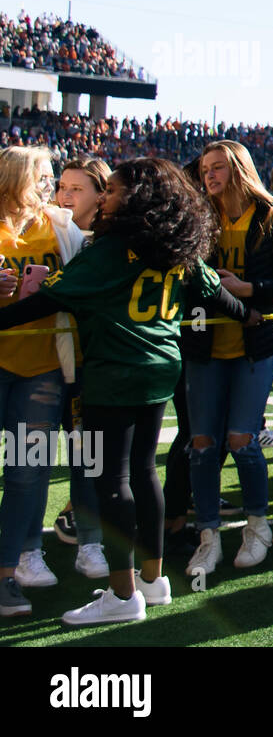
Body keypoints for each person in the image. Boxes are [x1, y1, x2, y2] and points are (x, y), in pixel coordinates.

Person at [0, 158, 251, 625]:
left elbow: (49, 299)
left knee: (110, 480)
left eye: (112, 191)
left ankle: (122, 594)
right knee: (143, 473)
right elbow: (216, 293)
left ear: (136, 199)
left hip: (114, 373)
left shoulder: (111, 248)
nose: (106, 197)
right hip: (160, 368)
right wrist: (250, 317)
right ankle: (153, 582)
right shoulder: (175, 243)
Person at [183, 140, 273, 576]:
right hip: (204, 342)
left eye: (217, 167)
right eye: (204, 169)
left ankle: (258, 525)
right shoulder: (199, 216)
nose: (210, 176)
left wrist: (249, 289)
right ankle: (208, 536)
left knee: (242, 438)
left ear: (239, 168)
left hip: (258, 340)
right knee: (201, 444)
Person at [0, 147, 87, 614]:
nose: (50, 187)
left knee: (27, 473)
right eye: (43, 176)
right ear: (14, 177)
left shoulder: (59, 226)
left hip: (43, 371)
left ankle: (8, 571)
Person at [51, 157, 109, 562]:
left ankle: (92, 524)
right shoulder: (51, 233)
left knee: (96, 447)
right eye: (61, 187)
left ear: (101, 195)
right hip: (52, 360)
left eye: (77, 189)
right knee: (63, 447)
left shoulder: (112, 240)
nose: (65, 196)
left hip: (101, 362)